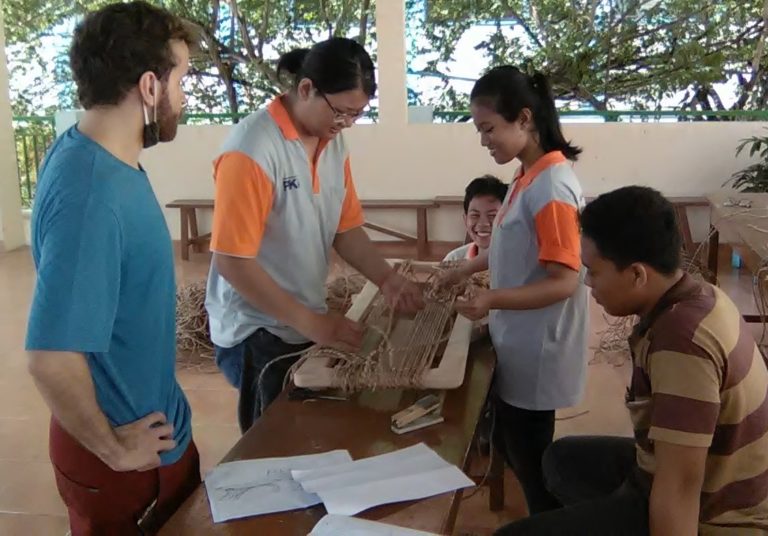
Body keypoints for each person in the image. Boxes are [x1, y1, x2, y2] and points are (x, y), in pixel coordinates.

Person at [496, 186, 768, 535]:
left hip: (716, 513)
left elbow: (681, 486)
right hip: (696, 472)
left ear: (637, 275)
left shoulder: (681, 342)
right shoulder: (700, 293)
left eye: (593, 272)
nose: (587, 284)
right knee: (560, 461)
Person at [24, 2, 200, 534]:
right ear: (150, 87)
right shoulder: (93, 194)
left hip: (157, 439)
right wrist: (116, 450)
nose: (184, 100)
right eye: (182, 82)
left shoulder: (97, 155)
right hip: (126, 467)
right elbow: (50, 357)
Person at [205, 37, 424, 434]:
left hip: (300, 317)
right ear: (306, 88)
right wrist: (312, 322)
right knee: (272, 441)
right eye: (341, 112)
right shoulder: (251, 151)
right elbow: (232, 262)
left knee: (308, 431)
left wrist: (388, 279)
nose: (345, 124)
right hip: (258, 327)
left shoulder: (332, 144)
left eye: (356, 116)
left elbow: (345, 228)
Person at [442, 66, 589, 516]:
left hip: (539, 345)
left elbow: (564, 280)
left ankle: (550, 522)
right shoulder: (527, 176)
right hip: (519, 335)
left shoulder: (552, 189)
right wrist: (463, 271)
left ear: (524, 119)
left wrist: (489, 299)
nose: (484, 141)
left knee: (531, 457)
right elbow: (510, 244)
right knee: (513, 438)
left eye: (489, 129)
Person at [443, 174, 508, 262]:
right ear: (465, 220)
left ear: (508, 219)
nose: (483, 223)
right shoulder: (454, 259)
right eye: (475, 215)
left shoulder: (518, 261)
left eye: (492, 215)